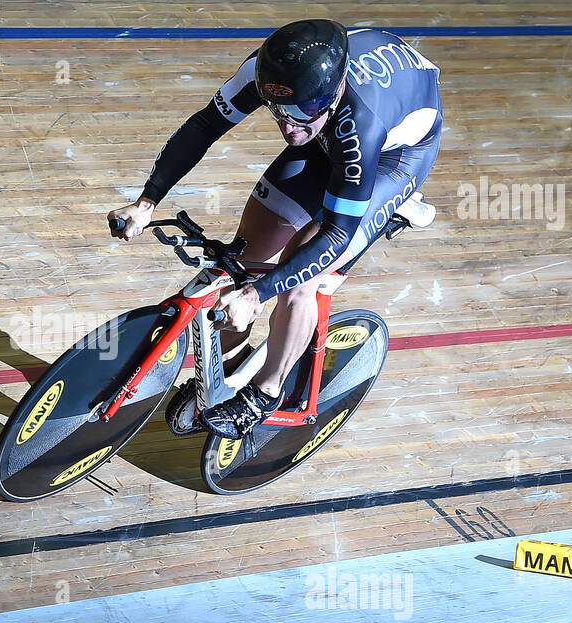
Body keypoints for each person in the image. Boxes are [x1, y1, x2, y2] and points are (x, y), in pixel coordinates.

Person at [108, 19, 442, 440]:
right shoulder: (272, 75)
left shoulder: (360, 122)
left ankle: (266, 392)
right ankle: (229, 371)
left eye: (300, 114)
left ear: (333, 92)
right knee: (245, 256)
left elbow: (334, 235)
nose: (287, 129)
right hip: (329, 135)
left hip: (392, 158)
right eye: (278, 112)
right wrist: (147, 200)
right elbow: (204, 126)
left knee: (300, 274)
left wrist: (259, 294)